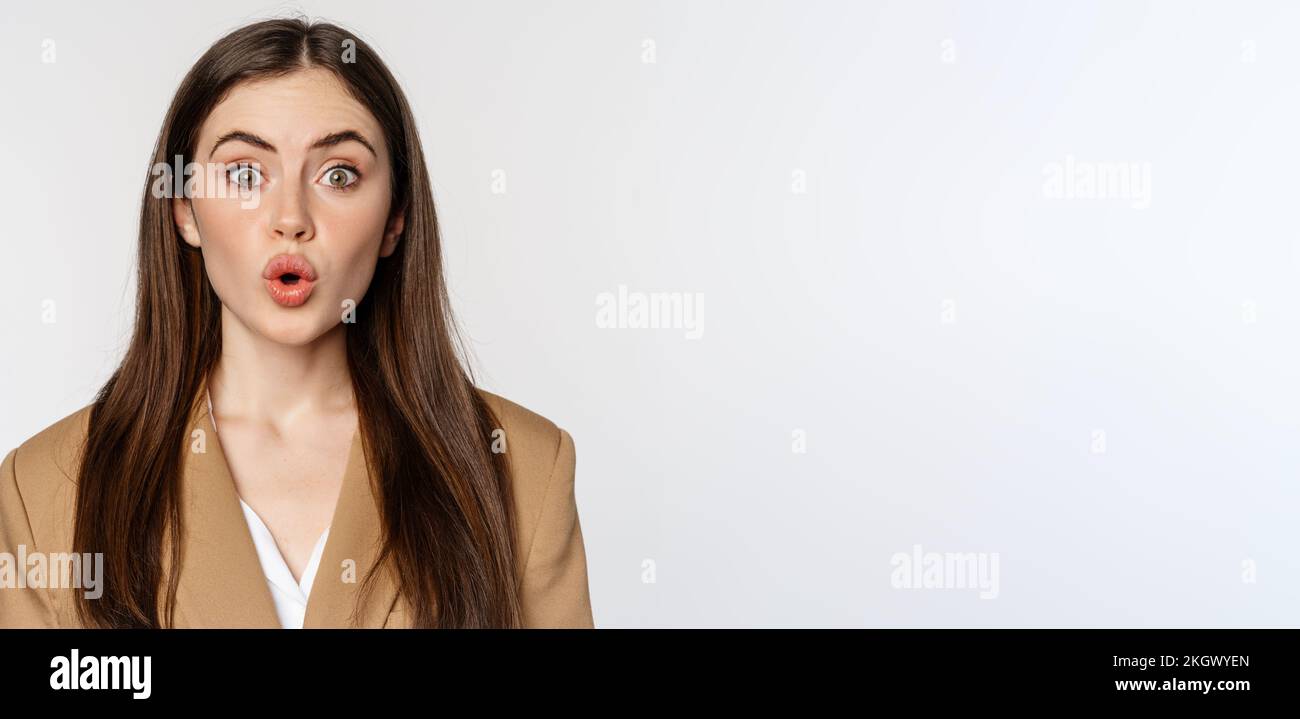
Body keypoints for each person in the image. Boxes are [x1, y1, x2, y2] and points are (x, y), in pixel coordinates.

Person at [0, 17, 593, 629]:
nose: (291, 218)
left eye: (338, 174)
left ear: (395, 219)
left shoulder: (523, 466)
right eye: (244, 173)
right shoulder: (45, 487)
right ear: (185, 213)